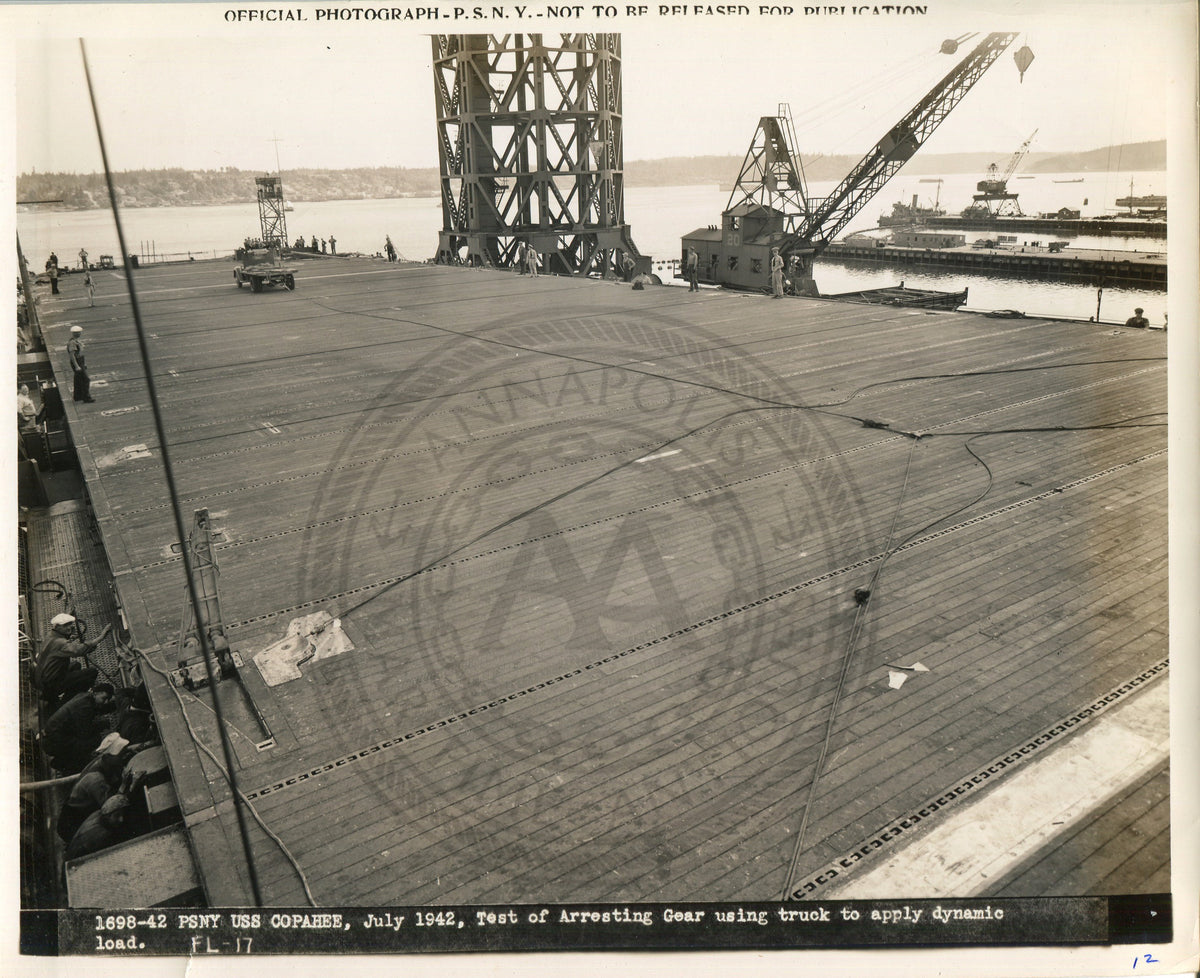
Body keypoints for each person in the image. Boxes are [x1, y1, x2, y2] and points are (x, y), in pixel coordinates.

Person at [35, 614, 113, 707]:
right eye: (65, 625)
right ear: (58, 626)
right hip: (51, 683)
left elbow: (61, 646)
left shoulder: (50, 635)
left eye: (70, 624)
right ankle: (64, 703)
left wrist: (71, 638)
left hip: (43, 678)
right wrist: (100, 637)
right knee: (91, 672)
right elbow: (78, 650)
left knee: (76, 665)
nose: (69, 628)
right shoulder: (61, 643)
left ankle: (55, 695)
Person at [42, 684, 117, 774]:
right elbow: (84, 733)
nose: (105, 702)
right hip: (53, 741)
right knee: (94, 740)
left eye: (108, 699)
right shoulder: (85, 707)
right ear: (97, 693)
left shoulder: (83, 695)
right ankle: (62, 763)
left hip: (53, 732)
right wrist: (101, 725)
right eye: (104, 698)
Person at [65, 793, 131, 860]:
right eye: (117, 815)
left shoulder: (98, 813)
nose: (121, 819)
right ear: (107, 816)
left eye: (122, 814)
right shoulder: (102, 834)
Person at [67, 325, 93, 402]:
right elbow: (72, 355)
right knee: (86, 379)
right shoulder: (72, 343)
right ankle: (86, 397)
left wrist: (83, 364)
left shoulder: (76, 341)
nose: (79, 334)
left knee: (78, 379)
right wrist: (77, 366)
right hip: (77, 361)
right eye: (77, 333)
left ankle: (77, 396)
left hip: (80, 360)